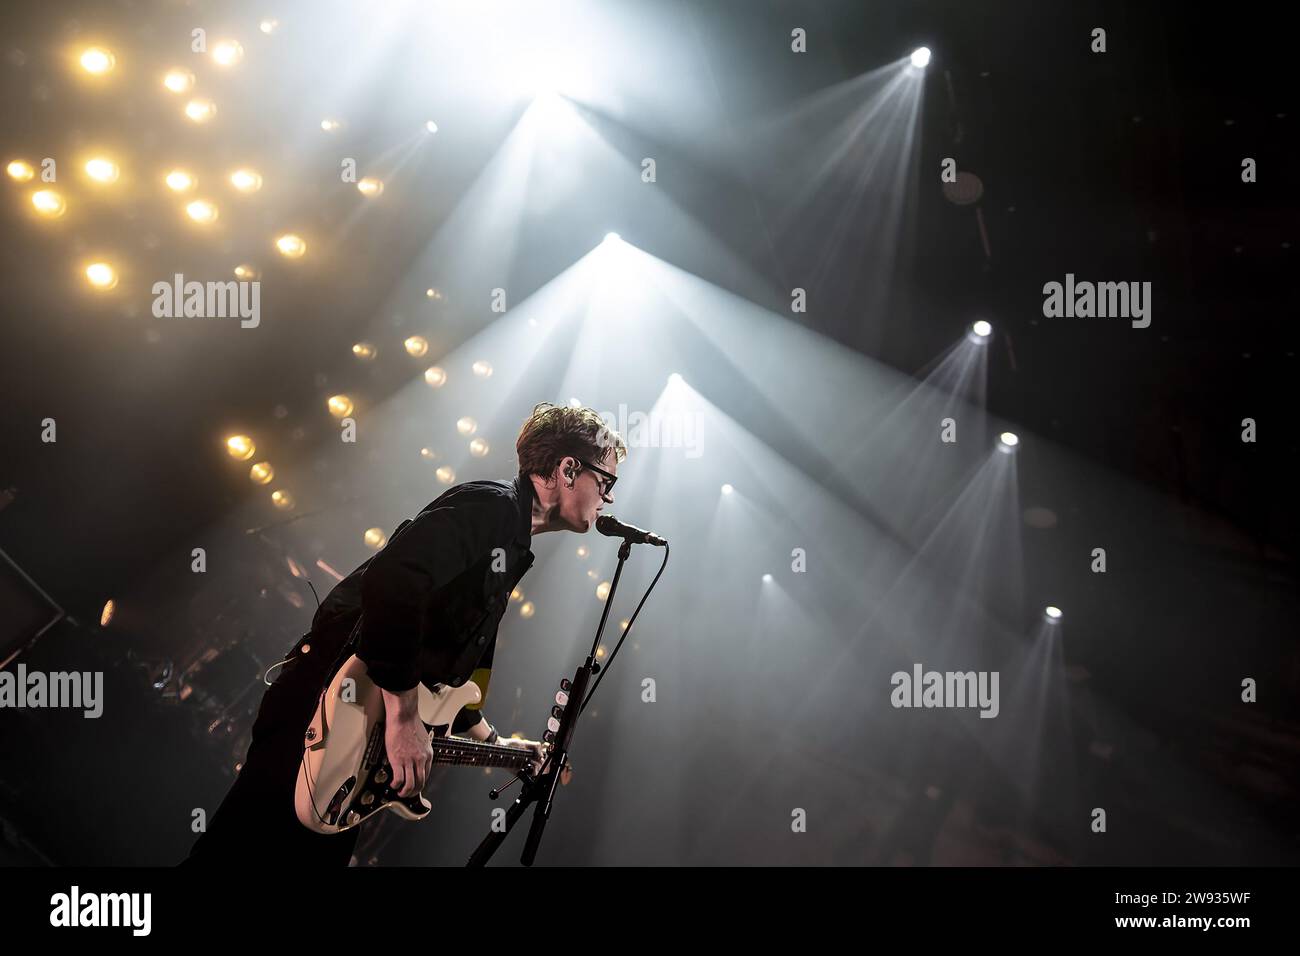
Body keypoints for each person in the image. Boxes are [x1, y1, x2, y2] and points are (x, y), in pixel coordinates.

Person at [184, 402, 626, 865]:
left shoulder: (513, 543)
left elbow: (452, 678)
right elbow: (393, 579)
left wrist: (498, 746)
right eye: (606, 481)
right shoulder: (493, 506)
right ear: (568, 468)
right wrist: (402, 719)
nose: (609, 498)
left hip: (353, 730)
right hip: (325, 707)